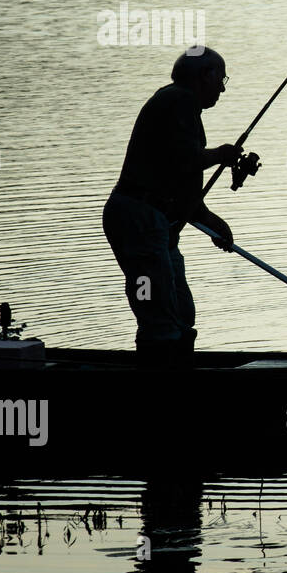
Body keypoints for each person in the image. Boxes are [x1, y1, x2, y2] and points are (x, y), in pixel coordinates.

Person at [102, 46, 240, 366]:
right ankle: (161, 384)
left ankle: (178, 368)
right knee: (157, 311)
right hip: (138, 217)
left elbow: (185, 188)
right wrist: (221, 154)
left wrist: (214, 225)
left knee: (180, 311)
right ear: (204, 75)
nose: (221, 87)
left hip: (155, 221)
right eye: (220, 79)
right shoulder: (179, 100)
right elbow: (186, 161)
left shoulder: (185, 109)